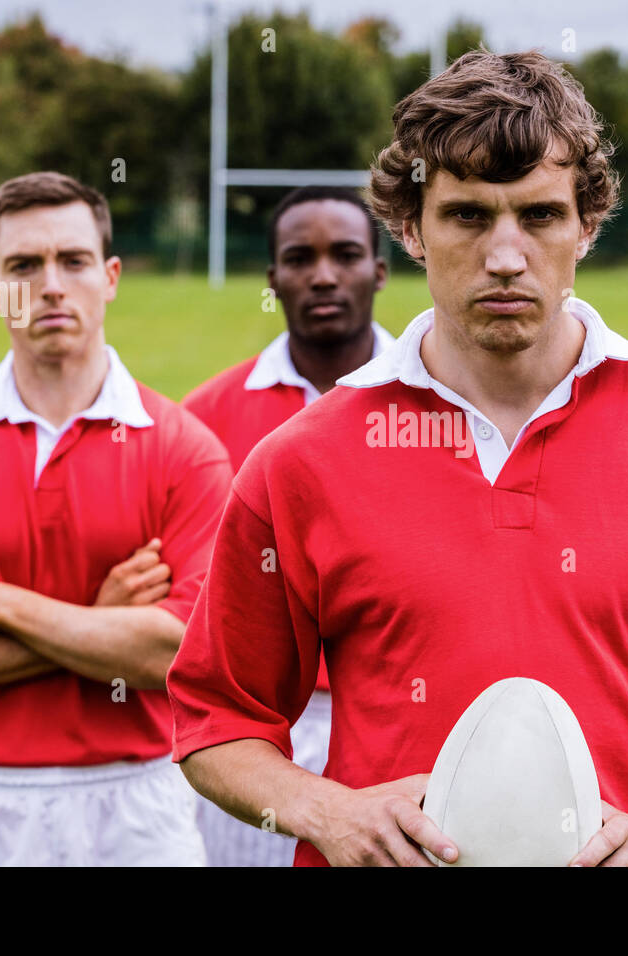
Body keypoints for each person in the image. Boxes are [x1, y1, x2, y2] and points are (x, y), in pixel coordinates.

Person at [167, 50, 628, 867]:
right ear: (410, 228)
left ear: (586, 227)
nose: (505, 256)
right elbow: (217, 719)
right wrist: (322, 809)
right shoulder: (301, 461)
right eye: (468, 215)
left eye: (538, 216)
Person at [0, 171, 233, 866]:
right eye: (24, 266)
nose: (52, 284)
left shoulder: (187, 451)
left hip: (137, 804)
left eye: (74, 260)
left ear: (111, 276)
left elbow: (178, 657)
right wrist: (99, 620)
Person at [180, 185, 393, 865]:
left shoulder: (443, 404)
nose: (323, 274)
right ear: (272, 279)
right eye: (300, 257)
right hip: (252, 732)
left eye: (346, 255)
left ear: (380, 271)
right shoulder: (204, 416)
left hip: (390, 715)